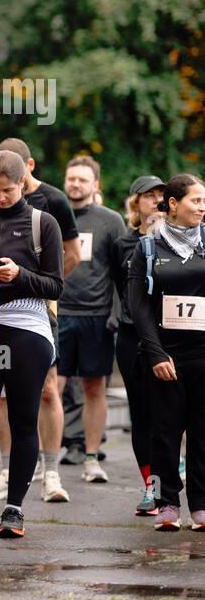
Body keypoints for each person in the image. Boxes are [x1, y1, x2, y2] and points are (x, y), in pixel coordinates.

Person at [0, 150, 65, 539]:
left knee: (24, 419)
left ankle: (14, 508)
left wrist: (19, 274)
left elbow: (56, 285)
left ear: (22, 183)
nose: (1, 197)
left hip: (28, 326)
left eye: (7, 190)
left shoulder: (45, 223)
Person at [0, 138, 80, 503]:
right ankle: (11, 469)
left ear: (27, 172)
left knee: (47, 390)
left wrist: (29, 282)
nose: (0, 197)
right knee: (0, 399)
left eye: (7, 190)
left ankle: (52, 471)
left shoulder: (54, 203)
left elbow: (70, 257)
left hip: (38, 311)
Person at [127, 174, 205, 531]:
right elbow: (138, 306)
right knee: (164, 432)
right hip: (164, 356)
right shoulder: (147, 248)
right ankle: (167, 503)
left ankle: (201, 506)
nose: (202, 207)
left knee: (202, 433)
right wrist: (156, 354)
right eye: (195, 201)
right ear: (173, 204)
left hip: (203, 355)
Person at [55, 155, 125, 483]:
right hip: (57, 315)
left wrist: (116, 314)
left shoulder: (110, 221)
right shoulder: (51, 216)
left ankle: (92, 457)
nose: (75, 184)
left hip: (97, 317)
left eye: (83, 179)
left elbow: (123, 273)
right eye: (71, 178)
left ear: (95, 185)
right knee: (49, 389)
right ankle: (46, 462)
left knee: (94, 388)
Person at [113, 176, 166, 515]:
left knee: (172, 413)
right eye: (149, 196)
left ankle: (174, 480)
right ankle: (151, 487)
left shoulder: (179, 242)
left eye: (162, 196)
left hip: (170, 337)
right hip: (132, 336)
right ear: (136, 203)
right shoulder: (123, 243)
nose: (156, 202)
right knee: (142, 415)